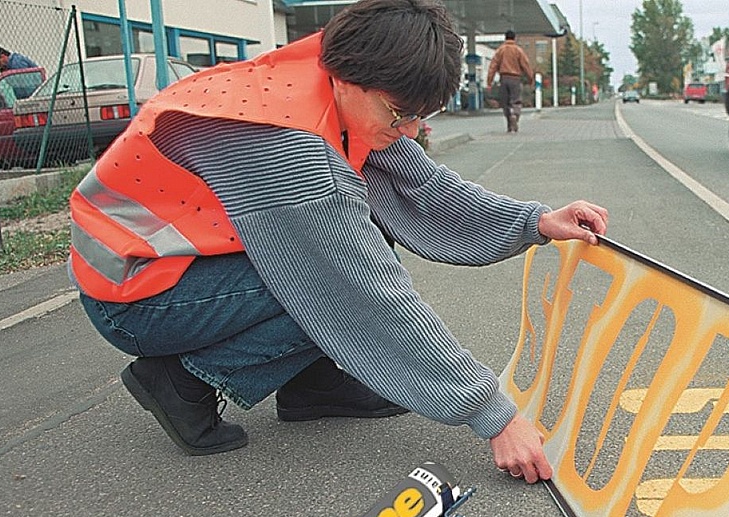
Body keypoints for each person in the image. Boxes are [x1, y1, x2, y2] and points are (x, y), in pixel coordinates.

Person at [69, 0, 607, 483]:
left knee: (342, 250)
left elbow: (419, 189)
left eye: (423, 117)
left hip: (173, 268)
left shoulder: (339, 80)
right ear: (351, 80)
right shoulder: (288, 143)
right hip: (134, 296)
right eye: (402, 116)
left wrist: (534, 222)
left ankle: (317, 386)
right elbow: (361, 291)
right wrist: (494, 415)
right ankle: (182, 379)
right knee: (326, 276)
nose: (413, 131)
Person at [486, 30, 533, 133]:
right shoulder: (518, 50)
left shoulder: (500, 50)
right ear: (514, 38)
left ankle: (509, 124)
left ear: (505, 38)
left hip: (504, 78)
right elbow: (526, 65)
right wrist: (531, 79)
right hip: (515, 78)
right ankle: (515, 116)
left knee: (505, 102)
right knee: (516, 100)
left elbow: (492, 66)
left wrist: (489, 82)